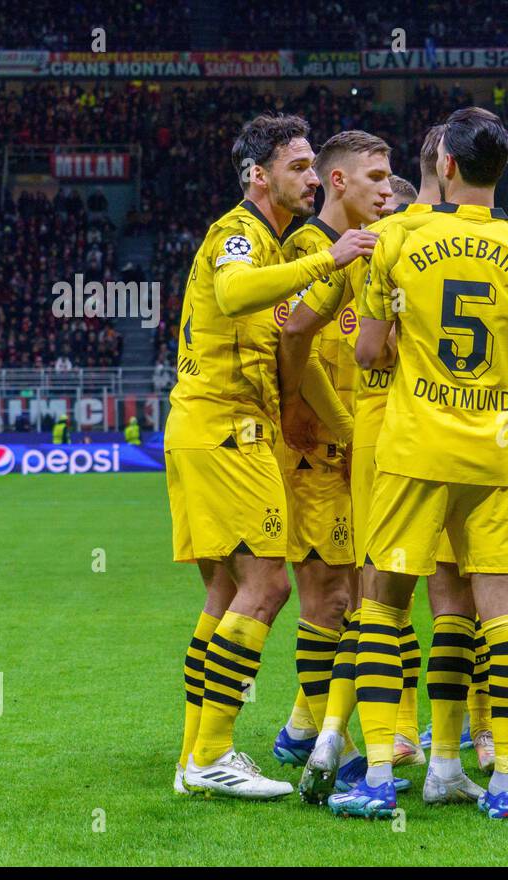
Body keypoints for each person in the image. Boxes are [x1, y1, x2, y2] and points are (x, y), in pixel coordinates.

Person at [340, 107, 508, 821]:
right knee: (502, 612)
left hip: (416, 448)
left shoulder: (395, 238)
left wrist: (403, 345)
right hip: (500, 451)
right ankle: (504, 780)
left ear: (444, 164)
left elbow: (368, 353)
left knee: (384, 604)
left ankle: (383, 775)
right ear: (502, 172)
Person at [166, 112, 375, 800]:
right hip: (227, 428)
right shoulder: (238, 234)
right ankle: (213, 755)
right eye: (298, 167)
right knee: (269, 587)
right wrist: (329, 258)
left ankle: (196, 753)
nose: (312, 178)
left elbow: (298, 353)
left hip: (221, 429)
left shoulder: (272, 248)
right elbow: (230, 293)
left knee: (227, 591)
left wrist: (347, 430)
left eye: (314, 166)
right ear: (260, 176)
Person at [268, 130, 396, 797]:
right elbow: (296, 345)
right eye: (375, 176)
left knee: (352, 595)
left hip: (356, 449)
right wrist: (331, 426)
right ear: (338, 182)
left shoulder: (363, 253)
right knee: (331, 599)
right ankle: (330, 740)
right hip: (318, 451)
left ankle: (304, 728)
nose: (386, 188)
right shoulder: (308, 251)